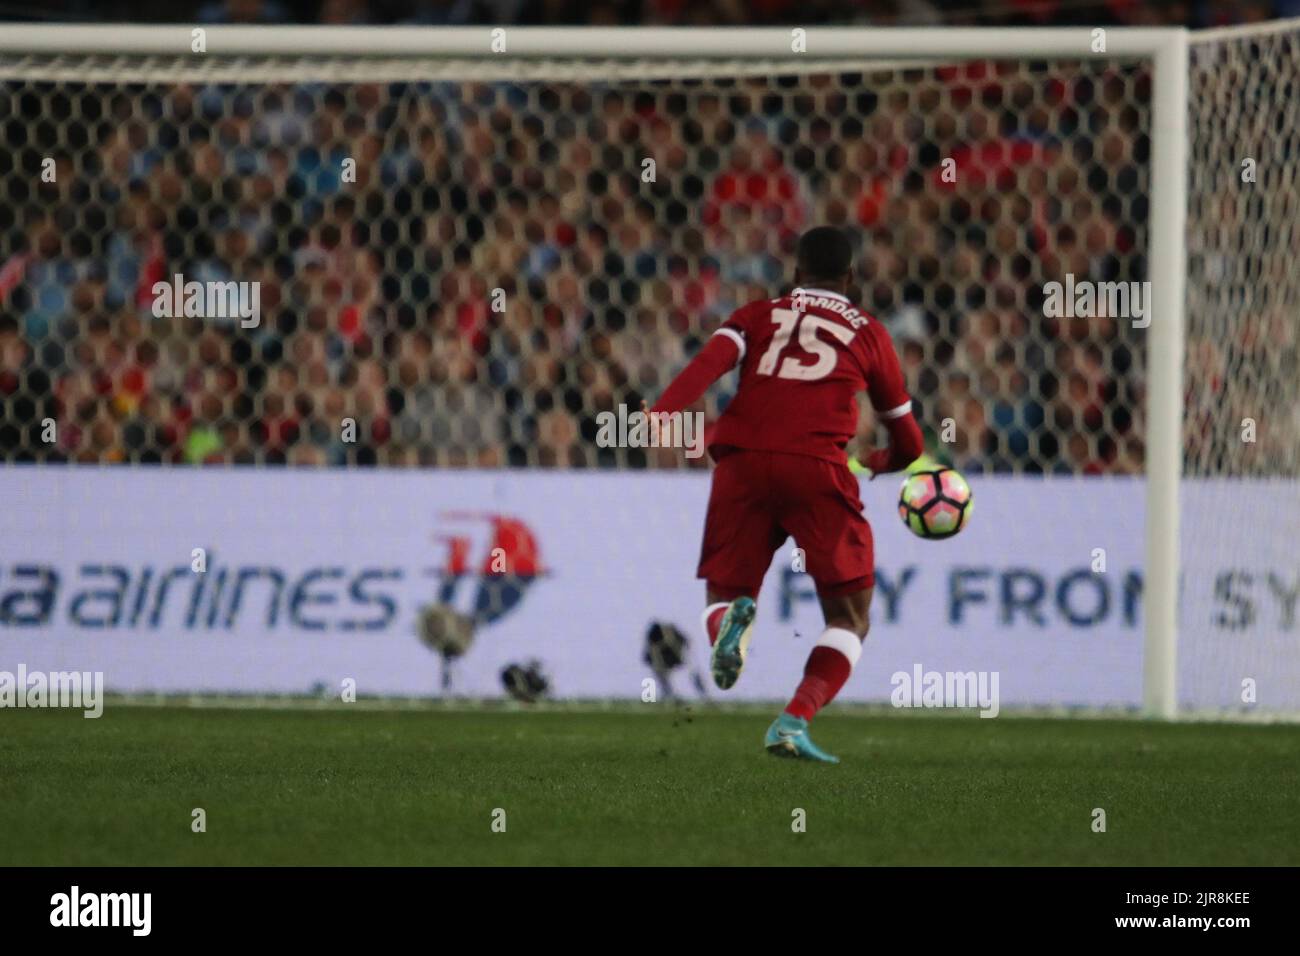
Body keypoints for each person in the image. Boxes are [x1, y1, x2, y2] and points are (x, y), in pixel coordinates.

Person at [648, 226, 923, 762]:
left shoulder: (757, 315)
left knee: (723, 594)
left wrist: (662, 414)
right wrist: (879, 462)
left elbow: (709, 364)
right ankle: (794, 719)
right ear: (850, 279)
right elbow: (910, 442)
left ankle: (730, 631)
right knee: (849, 617)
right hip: (817, 469)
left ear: (795, 275)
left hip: (742, 464)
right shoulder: (868, 332)